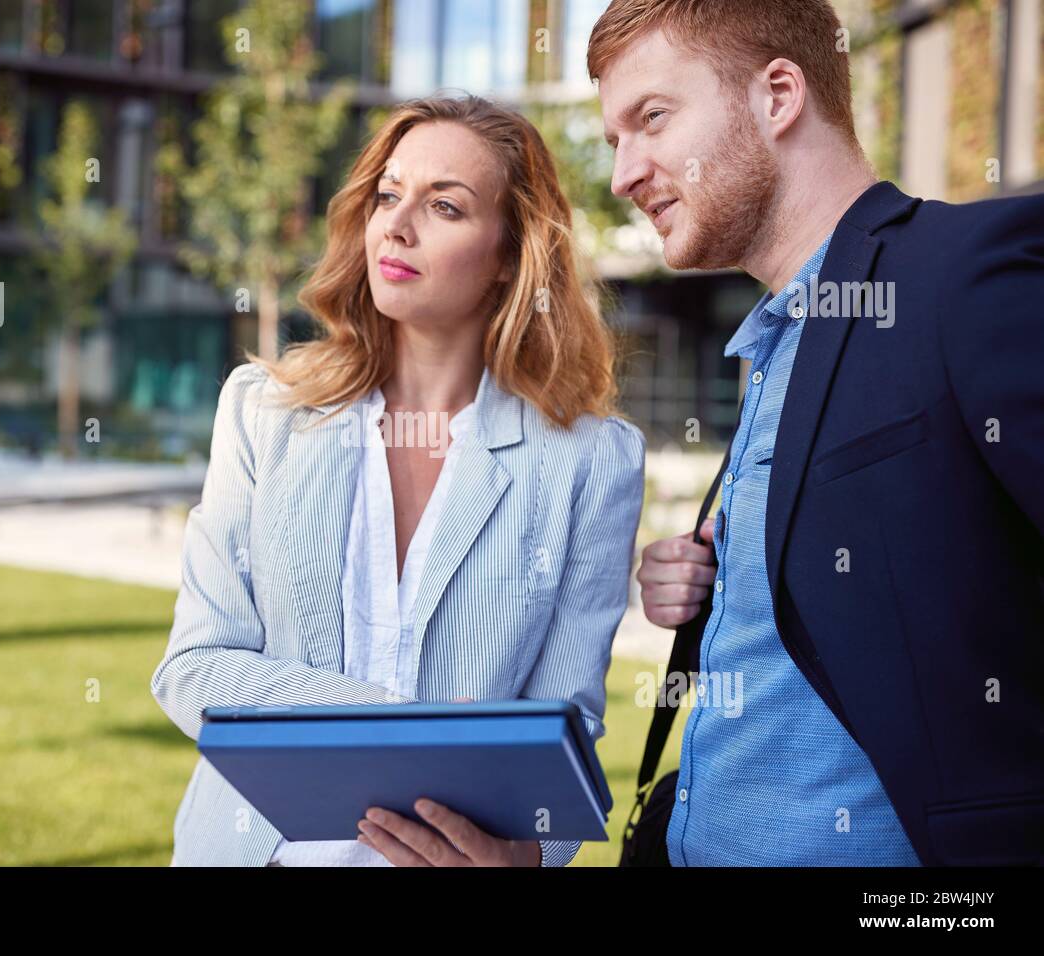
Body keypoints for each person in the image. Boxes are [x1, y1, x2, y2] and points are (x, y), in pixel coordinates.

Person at [591, 0, 1044, 865]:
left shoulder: (962, 276)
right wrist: (716, 589)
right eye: (615, 138)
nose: (624, 172)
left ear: (779, 95)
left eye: (651, 118)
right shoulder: (770, 343)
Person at [151, 95, 647, 866]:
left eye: (444, 205)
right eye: (389, 194)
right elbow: (195, 670)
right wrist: (417, 730)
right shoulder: (264, 413)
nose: (397, 224)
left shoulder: (590, 461)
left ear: (511, 253)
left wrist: (530, 856)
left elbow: (567, 731)